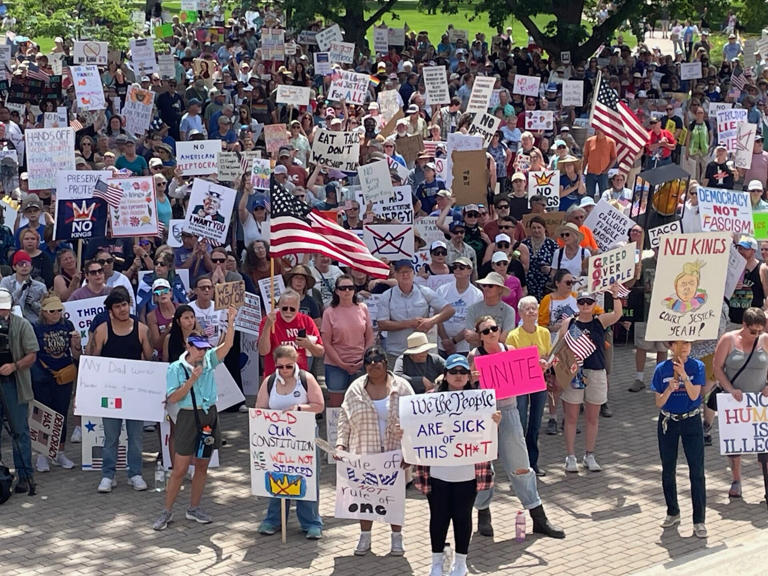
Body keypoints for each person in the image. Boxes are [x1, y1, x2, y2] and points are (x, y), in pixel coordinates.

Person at [468, 315, 564, 539]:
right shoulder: (474, 356)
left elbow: (525, 373)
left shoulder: (509, 349)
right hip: (484, 414)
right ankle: (483, 513)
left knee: (520, 463)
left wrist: (539, 367)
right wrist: (472, 378)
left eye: (494, 328)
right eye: (485, 331)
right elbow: (465, 385)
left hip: (509, 409)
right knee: (483, 466)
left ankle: (538, 516)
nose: (491, 333)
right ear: (480, 336)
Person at [413, 354, 498, 576]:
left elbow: (487, 435)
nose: (458, 376)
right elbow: (417, 429)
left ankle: (460, 563)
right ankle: (436, 563)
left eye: (463, 372)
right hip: (437, 471)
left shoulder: (480, 400)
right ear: (445, 375)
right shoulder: (430, 399)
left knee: (463, 517)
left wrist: (494, 423)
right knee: (438, 517)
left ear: (469, 376)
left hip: (468, 472)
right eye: (454, 372)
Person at [152, 308, 236, 530]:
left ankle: (194, 508)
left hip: (208, 414)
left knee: (202, 464)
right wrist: (191, 380)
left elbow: (227, 345)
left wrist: (231, 322)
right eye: (198, 349)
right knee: (180, 468)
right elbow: (173, 397)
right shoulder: (176, 368)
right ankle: (166, 511)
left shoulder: (208, 359)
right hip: (188, 416)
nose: (202, 353)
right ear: (189, 347)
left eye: (204, 349)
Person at [336, 346, 414, 556]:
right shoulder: (355, 389)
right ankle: (365, 537)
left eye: (377, 359)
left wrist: (410, 452)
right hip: (364, 451)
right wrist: (341, 444)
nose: (373, 364)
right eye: (368, 361)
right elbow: (344, 418)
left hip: (395, 452)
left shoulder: (402, 387)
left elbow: (415, 420)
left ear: (386, 363)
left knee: (394, 498)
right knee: (365, 496)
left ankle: (397, 538)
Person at [255, 345, 325, 539]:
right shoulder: (269, 382)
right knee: (277, 477)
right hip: (278, 440)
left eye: (289, 366)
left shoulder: (306, 379)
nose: (285, 370)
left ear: (295, 363)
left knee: (306, 478)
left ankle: (311, 522)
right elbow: (260, 408)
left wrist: (299, 409)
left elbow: (319, 406)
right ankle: (273, 520)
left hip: (304, 439)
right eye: (280, 367)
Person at [89, 287, 154, 493]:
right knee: (111, 436)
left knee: (135, 436)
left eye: (125, 304)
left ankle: (135, 473)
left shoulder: (142, 329)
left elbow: (150, 358)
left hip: (134, 392)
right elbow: (93, 361)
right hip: (111, 392)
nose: (123, 309)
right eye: (118, 306)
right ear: (111, 311)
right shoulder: (103, 330)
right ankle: (108, 475)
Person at [559, 287, 622, 473]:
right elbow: (559, 348)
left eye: (589, 302)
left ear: (594, 304)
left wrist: (615, 295)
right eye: (581, 302)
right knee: (571, 417)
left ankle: (589, 454)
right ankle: (570, 456)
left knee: (592, 417)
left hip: (596, 371)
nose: (585, 305)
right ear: (577, 304)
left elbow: (617, 314)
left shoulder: (599, 321)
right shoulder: (569, 323)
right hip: (574, 373)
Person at [652, 340, 707, 539]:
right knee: (668, 468)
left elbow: (694, 395)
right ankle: (672, 511)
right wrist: (669, 389)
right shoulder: (661, 369)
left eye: (687, 343)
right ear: (670, 346)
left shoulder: (697, 366)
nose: (684, 347)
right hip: (669, 421)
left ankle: (699, 520)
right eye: (679, 343)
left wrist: (684, 375)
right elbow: (659, 402)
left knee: (696, 470)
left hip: (691, 420)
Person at [712, 307, 768, 499]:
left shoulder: (765, 340)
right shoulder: (728, 339)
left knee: (764, 445)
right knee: (736, 444)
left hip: (760, 402)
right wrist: (730, 389)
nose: (756, 335)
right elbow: (717, 368)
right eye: (753, 331)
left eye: (760, 331)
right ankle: (736, 480)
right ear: (744, 324)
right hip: (735, 403)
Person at [32, 294, 81, 472]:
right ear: (44, 312)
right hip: (42, 377)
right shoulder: (35, 327)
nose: (56, 314)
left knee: (61, 414)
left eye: (59, 310)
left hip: (64, 376)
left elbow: (76, 355)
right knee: (43, 415)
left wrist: (76, 344)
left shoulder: (67, 325)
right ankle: (42, 454)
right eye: (52, 311)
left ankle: (59, 453)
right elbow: (31, 353)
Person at [377, 260, 454, 368]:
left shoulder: (425, 292)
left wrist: (431, 321)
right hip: (397, 353)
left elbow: (449, 310)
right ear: (395, 275)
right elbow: (382, 324)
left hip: (423, 353)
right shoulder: (387, 296)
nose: (405, 275)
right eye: (401, 272)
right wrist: (409, 324)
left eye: (408, 271)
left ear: (413, 273)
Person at [0, 287, 39, 495]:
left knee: (19, 430)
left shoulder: (22, 325)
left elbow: (32, 354)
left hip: (13, 384)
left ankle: (24, 476)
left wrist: (14, 366)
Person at [507, 296, 552, 475]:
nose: (531, 311)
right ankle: (519, 462)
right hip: (520, 384)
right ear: (520, 313)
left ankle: (533, 463)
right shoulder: (513, 336)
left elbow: (549, 355)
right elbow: (510, 362)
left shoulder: (544, 333)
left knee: (535, 423)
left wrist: (546, 363)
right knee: (521, 423)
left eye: (534, 308)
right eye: (527, 308)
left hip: (539, 383)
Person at [321, 275, 374, 407]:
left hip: (360, 363)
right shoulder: (329, 312)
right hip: (335, 365)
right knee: (336, 407)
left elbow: (369, 336)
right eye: (343, 288)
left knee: (361, 404)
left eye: (350, 287)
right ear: (336, 291)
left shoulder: (363, 308)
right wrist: (341, 363)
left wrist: (364, 359)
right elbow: (326, 342)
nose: (347, 291)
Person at [258, 290, 325, 376]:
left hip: (298, 376)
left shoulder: (306, 321)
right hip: (274, 375)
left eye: (292, 309)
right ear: (279, 306)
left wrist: (309, 345)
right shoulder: (268, 321)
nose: (288, 312)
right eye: (284, 308)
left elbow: (320, 352)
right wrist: (267, 326)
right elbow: (263, 351)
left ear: (298, 307)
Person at [436, 257, 483, 358]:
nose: (457, 269)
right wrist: (445, 339)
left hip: (465, 347)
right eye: (455, 267)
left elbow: (474, 323)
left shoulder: (477, 295)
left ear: (470, 270)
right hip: (443, 345)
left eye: (461, 267)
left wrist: (453, 341)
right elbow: (438, 316)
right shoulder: (442, 290)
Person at [0, 250, 47, 324]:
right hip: (10, 322)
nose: (24, 266)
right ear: (14, 267)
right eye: (20, 264)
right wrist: (19, 291)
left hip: (33, 323)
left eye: (27, 264)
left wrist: (33, 304)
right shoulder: (6, 282)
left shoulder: (40, 287)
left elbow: (46, 312)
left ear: (31, 267)